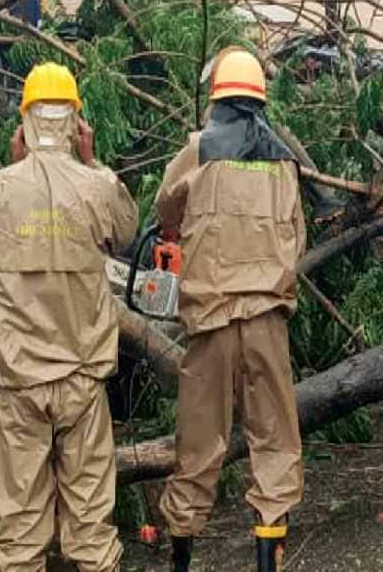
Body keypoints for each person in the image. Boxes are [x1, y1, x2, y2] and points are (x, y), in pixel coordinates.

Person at [0, 62, 138, 571]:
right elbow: (126, 232)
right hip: (82, 378)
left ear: (22, 127)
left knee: (19, 530)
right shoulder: (98, 187)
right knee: (92, 528)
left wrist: (15, 166)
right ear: (78, 125)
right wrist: (93, 161)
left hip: (19, 381)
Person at [155, 46, 305, 572]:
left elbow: (165, 207)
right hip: (267, 322)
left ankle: (181, 558)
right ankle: (268, 561)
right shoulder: (284, 160)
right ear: (259, 100)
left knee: (198, 446)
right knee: (276, 445)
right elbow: (296, 238)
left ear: (216, 99)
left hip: (211, 322)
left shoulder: (199, 149)